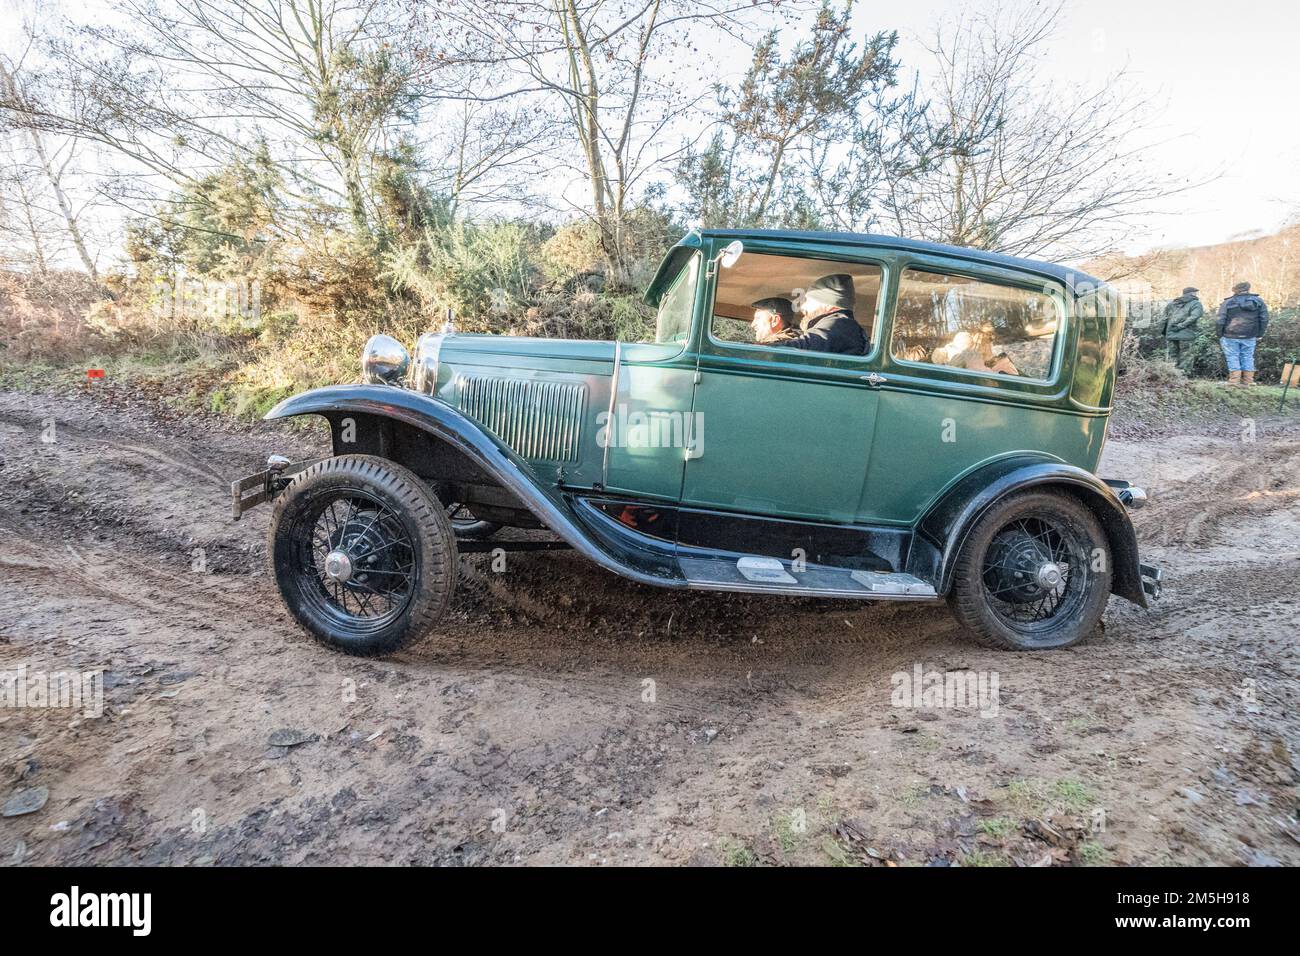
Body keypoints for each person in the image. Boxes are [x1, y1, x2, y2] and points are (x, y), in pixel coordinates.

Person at [776, 274, 868, 355]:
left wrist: (763, 349)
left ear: (828, 304)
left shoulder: (838, 324)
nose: (803, 307)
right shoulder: (841, 326)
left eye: (808, 300)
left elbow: (801, 348)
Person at [1216, 281, 1269, 386]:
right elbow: (1264, 319)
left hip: (1229, 334)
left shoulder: (1227, 302)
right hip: (1250, 334)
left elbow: (1220, 320)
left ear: (1235, 290)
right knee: (1248, 356)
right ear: (1248, 289)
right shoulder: (1259, 302)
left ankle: (1234, 381)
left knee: (1232, 356)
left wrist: (1219, 334)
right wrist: (1260, 334)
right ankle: (1248, 381)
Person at [1162, 286, 1203, 372]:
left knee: (1172, 355)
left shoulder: (1172, 303)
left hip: (1171, 333)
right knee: (1186, 355)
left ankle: (1171, 375)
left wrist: (1166, 331)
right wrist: (1181, 326)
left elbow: (1164, 318)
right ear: (1192, 293)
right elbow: (1194, 317)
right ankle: (1184, 376)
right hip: (1187, 334)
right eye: (1195, 292)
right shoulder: (1196, 303)